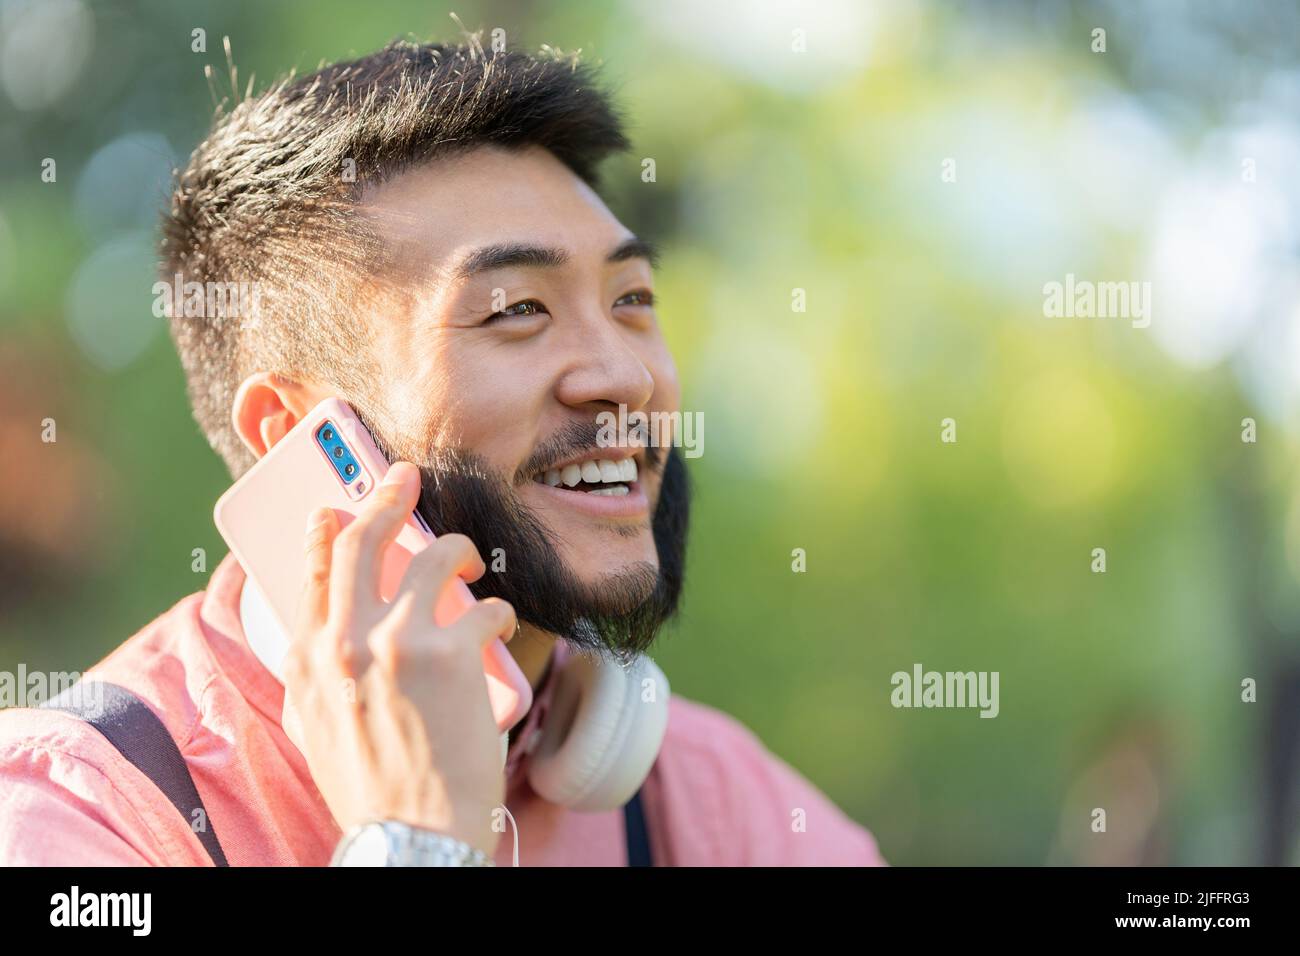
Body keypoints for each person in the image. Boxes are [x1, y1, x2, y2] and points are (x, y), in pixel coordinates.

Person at [0, 39, 883, 867]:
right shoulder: (77, 816)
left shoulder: (725, 807)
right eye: (516, 310)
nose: (623, 375)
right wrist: (415, 841)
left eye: (632, 299)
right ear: (295, 433)